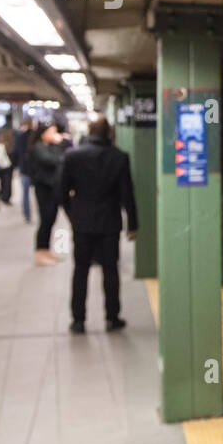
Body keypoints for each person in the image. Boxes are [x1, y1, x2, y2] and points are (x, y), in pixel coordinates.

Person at [58, 117, 137, 333]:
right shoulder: (119, 157)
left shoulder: (73, 156)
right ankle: (112, 317)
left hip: (82, 222)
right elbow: (127, 194)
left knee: (80, 270)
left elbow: (62, 193)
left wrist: (73, 215)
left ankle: (78, 320)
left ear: (90, 131)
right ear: (109, 133)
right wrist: (132, 224)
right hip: (110, 222)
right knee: (111, 270)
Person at [29, 122, 65, 266]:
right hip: (44, 188)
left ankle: (46, 251)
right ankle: (40, 253)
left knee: (51, 219)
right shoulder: (38, 148)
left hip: (53, 188)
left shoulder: (48, 147)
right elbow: (52, 160)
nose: (55, 135)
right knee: (45, 219)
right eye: (52, 132)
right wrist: (57, 145)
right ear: (43, 134)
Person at [15, 118, 35, 224]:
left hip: (24, 169)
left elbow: (16, 152)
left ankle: (27, 215)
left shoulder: (20, 137)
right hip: (35, 170)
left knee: (25, 193)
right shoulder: (36, 137)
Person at [0, 119, 17, 205]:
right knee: (7, 179)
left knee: (3, 179)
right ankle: (6, 197)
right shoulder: (13, 133)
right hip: (8, 160)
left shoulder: (0, 133)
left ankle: (3, 195)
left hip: (2, 160)